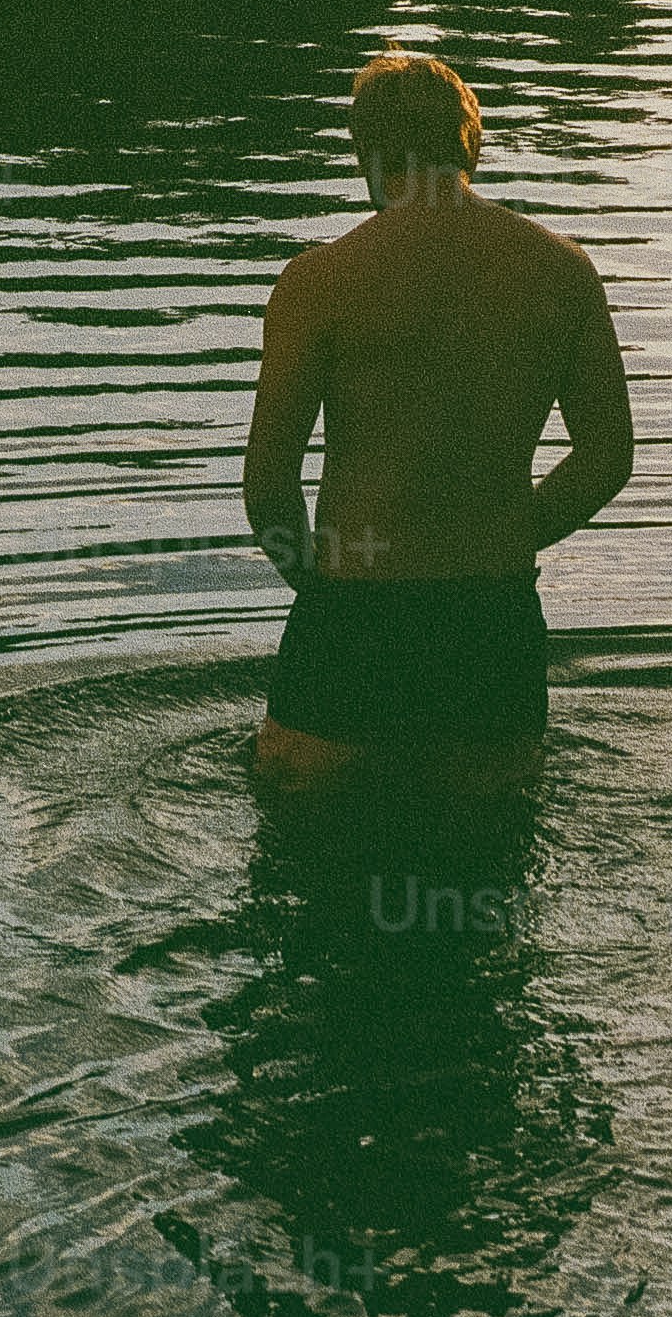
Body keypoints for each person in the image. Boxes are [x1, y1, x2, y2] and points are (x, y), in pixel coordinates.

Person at [245, 47, 633, 790]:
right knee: (485, 855)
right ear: (471, 144)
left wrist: (327, 592)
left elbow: (268, 490)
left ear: (367, 153)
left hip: (354, 612)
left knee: (306, 855)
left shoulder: (317, 281)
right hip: (489, 615)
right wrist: (509, 532)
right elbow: (606, 455)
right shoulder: (561, 269)